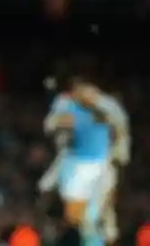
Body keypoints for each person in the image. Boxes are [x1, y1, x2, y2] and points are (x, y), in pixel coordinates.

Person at [43, 72, 130, 246]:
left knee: (95, 215)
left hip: (100, 167)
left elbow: (120, 128)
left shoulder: (107, 109)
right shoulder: (68, 106)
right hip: (77, 165)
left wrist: (120, 150)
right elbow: (52, 125)